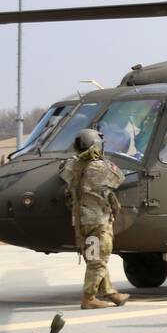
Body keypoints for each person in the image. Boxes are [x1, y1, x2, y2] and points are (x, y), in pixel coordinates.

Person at [59, 128, 131, 310]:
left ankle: (111, 293)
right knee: (99, 258)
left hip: (80, 220)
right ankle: (89, 298)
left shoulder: (71, 165)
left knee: (93, 257)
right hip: (98, 219)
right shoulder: (99, 167)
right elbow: (119, 178)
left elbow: (64, 173)